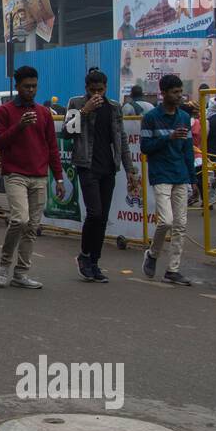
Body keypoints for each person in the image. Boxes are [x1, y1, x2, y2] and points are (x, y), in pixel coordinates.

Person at [0, 66, 65, 289]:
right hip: (15, 174)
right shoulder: (4, 112)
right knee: (19, 220)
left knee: (32, 226)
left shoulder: (44, 113)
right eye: (26, 86)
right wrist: (19, 126)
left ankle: (21, 273)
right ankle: (4, 263)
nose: (31, 90)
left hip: (40, 176)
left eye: (34, 86)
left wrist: (59, 178)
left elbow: (52, 146)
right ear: (17, 87)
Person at [62, 68, 137, 283]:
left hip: (108, 168)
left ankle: (94, 261)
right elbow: (67, 133)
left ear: (106, 88)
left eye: (101, 90)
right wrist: (85, 111)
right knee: (94, 213)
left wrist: (130, 169)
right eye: (93, 90)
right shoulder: (76, 104)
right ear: (86, 89)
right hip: (86, 166)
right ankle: (84, 255)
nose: (97, 94)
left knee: (103, 217)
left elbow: (121, 139)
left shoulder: (114, 107)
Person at [140, 74, 196, 286]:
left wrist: (193, 180)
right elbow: (145, 147)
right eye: (175, 92)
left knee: (181, 224)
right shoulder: (151, 117)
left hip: (180, 174)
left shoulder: (183, 118)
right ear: (163, 94)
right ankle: (153, 254)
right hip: (161, 174)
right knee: (166, 221)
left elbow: (188, 151)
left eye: (180, 91)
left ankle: (173, 269)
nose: (179, 96)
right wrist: (168, 138)